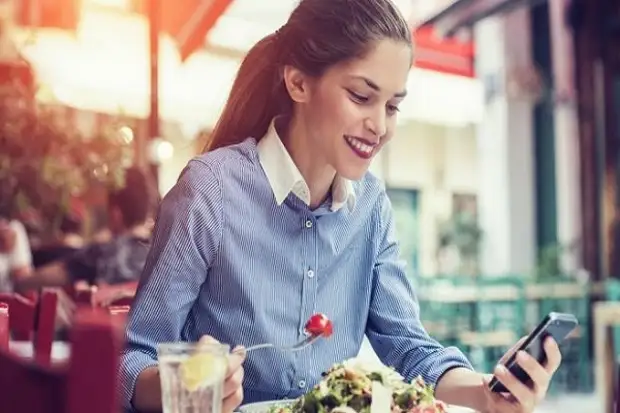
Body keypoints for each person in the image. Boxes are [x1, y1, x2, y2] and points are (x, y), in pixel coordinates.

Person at [120, 0, 562, 412]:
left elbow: (408, 346)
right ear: (298, 83)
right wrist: (180, 387)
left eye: (392, 105)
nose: (380, 126)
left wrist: (488, 393)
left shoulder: (371, 207)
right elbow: (129, 361)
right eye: (361, 96)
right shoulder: (209, 192)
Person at [15, 167, 154, 292]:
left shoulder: (103, 253)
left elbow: (31, 281)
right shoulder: (162, 254)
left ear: (115, 213)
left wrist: (17, 262)